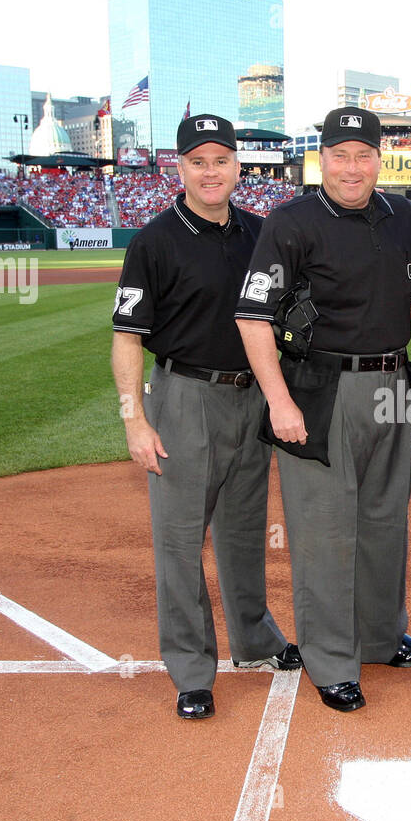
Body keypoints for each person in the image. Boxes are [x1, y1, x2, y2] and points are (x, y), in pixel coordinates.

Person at [235, 107, 411, 713]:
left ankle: (379, 636)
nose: (352, 167)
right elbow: (253, 315)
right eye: (340, 154)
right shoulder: (291, 222)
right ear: (322, 158)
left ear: (379, 158)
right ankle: (329, 659)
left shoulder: (402, 215)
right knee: (323, 531)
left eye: (363, 154)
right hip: (321, 390)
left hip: (392, 382)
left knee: (383, 522)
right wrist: (279, 402)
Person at [110, 112, 300, 721]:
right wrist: (134, 419)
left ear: (238, 166)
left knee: (244, 527)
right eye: (199, 161)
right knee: (179, 537)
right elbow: (127, 336)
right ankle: (192, 669)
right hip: (185, 397)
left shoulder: (261, 232)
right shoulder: (155, 240)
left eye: (221, 160)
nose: (211, 171)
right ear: (180, 167)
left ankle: (254, 638)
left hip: (253, 396)